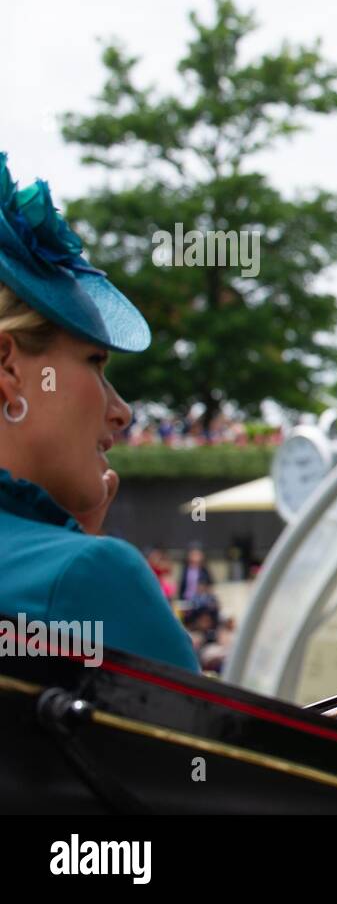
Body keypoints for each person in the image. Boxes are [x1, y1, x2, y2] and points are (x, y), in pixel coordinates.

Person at [0, 153, 197, 672]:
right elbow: (215, 753)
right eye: (94, 361)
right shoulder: (87, 576)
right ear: (8, 366)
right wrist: (83, 555)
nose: (122, 411)